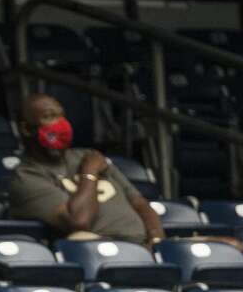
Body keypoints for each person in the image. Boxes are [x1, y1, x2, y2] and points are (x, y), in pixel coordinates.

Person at [9, 93, 164, 246]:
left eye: (62, 116)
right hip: (102, 251)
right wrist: (89, 173)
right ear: (26, 129)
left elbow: (138, 202)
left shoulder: (89, 155)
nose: (60, 124)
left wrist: (156, 241)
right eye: (49, 116)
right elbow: (79, 221)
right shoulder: (27, 177)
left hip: (142, 246)